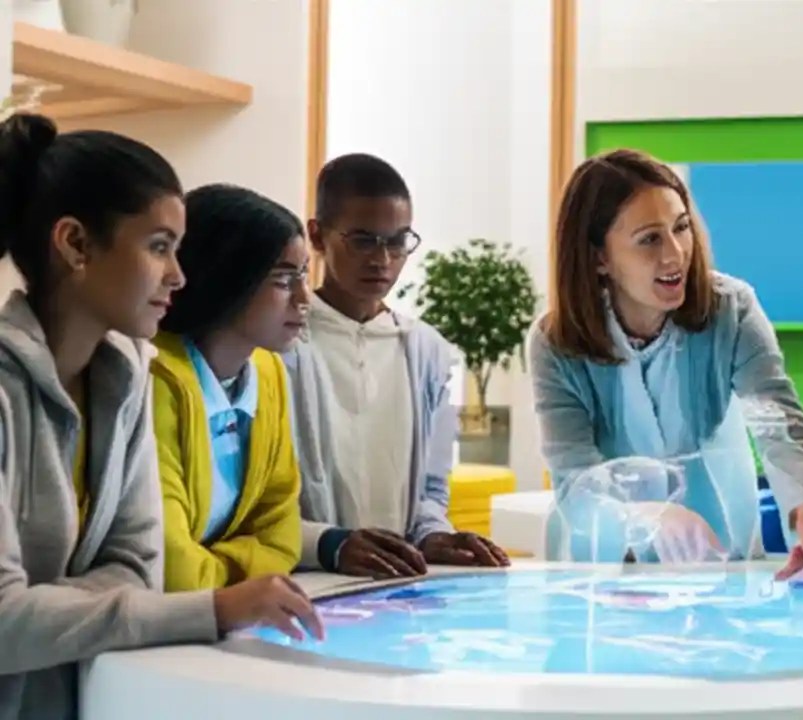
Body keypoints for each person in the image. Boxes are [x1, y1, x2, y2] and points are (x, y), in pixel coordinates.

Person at [0, 114, 321, 720]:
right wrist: (213, 608)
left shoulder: (126, 380)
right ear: (75, 245)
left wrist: (43, 608)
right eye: (158, 247)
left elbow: (140, 571)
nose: (178, 275)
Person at [528, 148, 803, 584]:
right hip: (602, 574)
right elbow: (574, 482)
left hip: (720, 558)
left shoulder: (731, 310)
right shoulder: (554, 344)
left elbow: (777, 422)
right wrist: (644, 515)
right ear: (599, 258)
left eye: (681, 228)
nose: (675, 254)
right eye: (649, 239)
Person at [284, 153, 509, 577]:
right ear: (317, 236)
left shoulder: (427, 351)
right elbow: (259, 504)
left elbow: (431, 488)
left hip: (396, 581)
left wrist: (432, 535)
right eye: (362, 240)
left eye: (397, 241)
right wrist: (329, 544)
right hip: (306, 579)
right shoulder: (282, 343)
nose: (382, 259)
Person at [151, 184, 312, 591]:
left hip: (218, 607)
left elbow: (281, 532)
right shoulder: (152, 377)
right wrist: (241, 579)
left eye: (304, 275)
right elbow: (169, 565)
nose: (304, 297)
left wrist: (225, 575)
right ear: (227, 277)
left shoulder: (269, 371)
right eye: (284, 279)